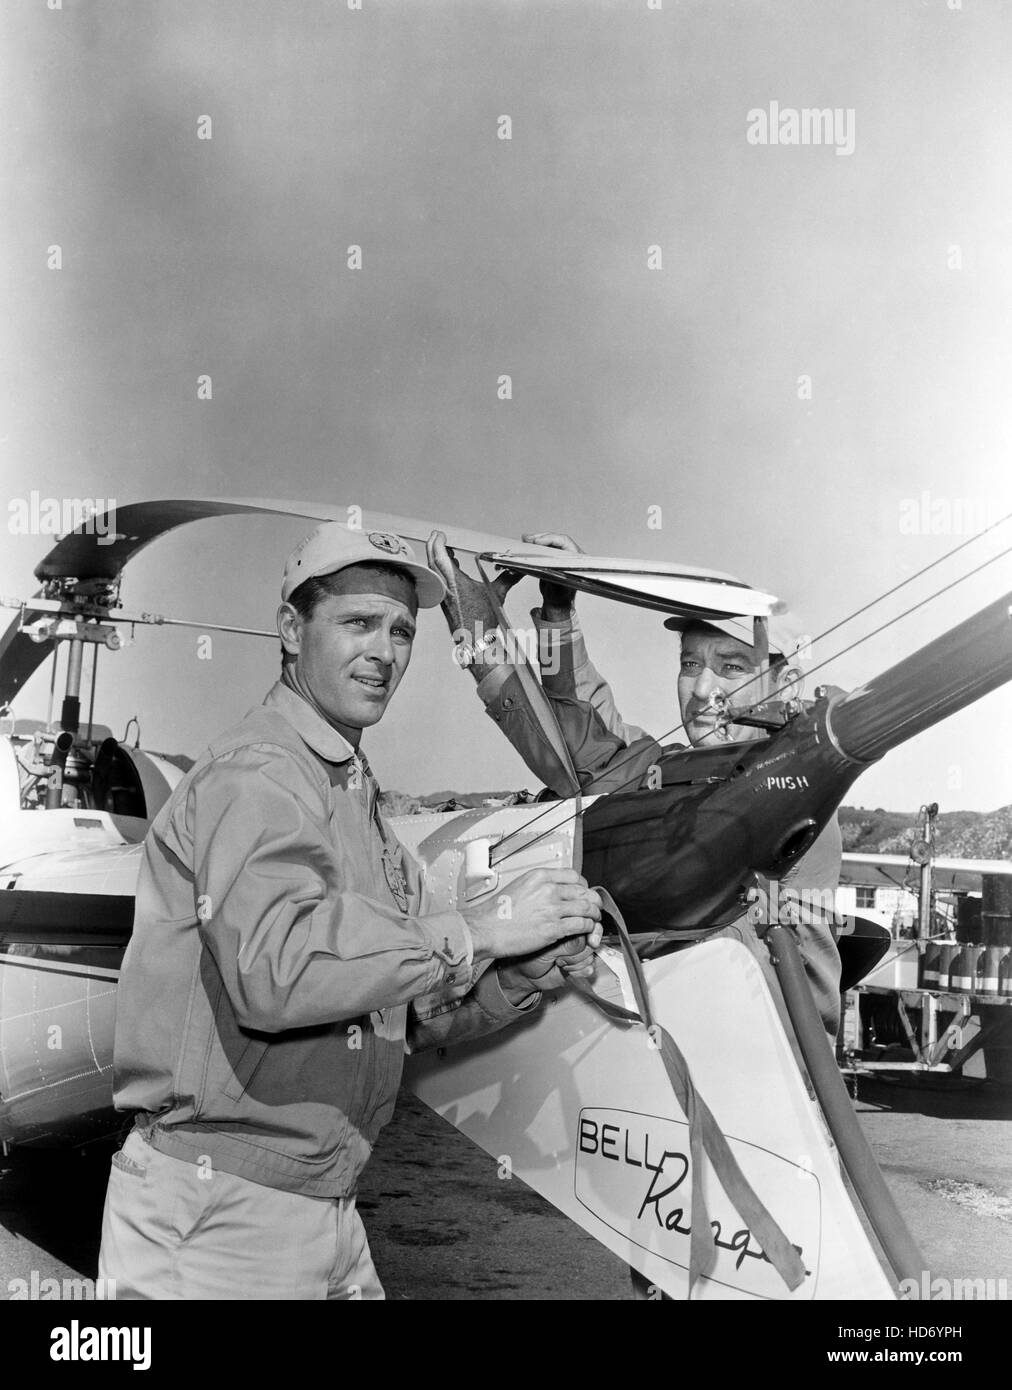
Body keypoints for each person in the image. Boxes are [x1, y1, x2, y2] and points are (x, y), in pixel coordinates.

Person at [98, 521, 602, 1300]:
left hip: (325, 1206)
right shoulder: (259, 773)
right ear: (293, 631)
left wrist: (522, 973)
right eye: (358, 622)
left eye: (401, 630)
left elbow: (406, 1012)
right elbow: (281, 972)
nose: (386, 650)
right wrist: (484, 929)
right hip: (220, 1215)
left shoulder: (354, 794)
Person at [426, 529, 843, 1048]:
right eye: (690, 664)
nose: (703, 690)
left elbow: (790, 996)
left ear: (786, 686)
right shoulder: (664, 769)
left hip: (766, 1068)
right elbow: (574, 735)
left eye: (731, 667)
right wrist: (534, 617)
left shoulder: (794, 794)